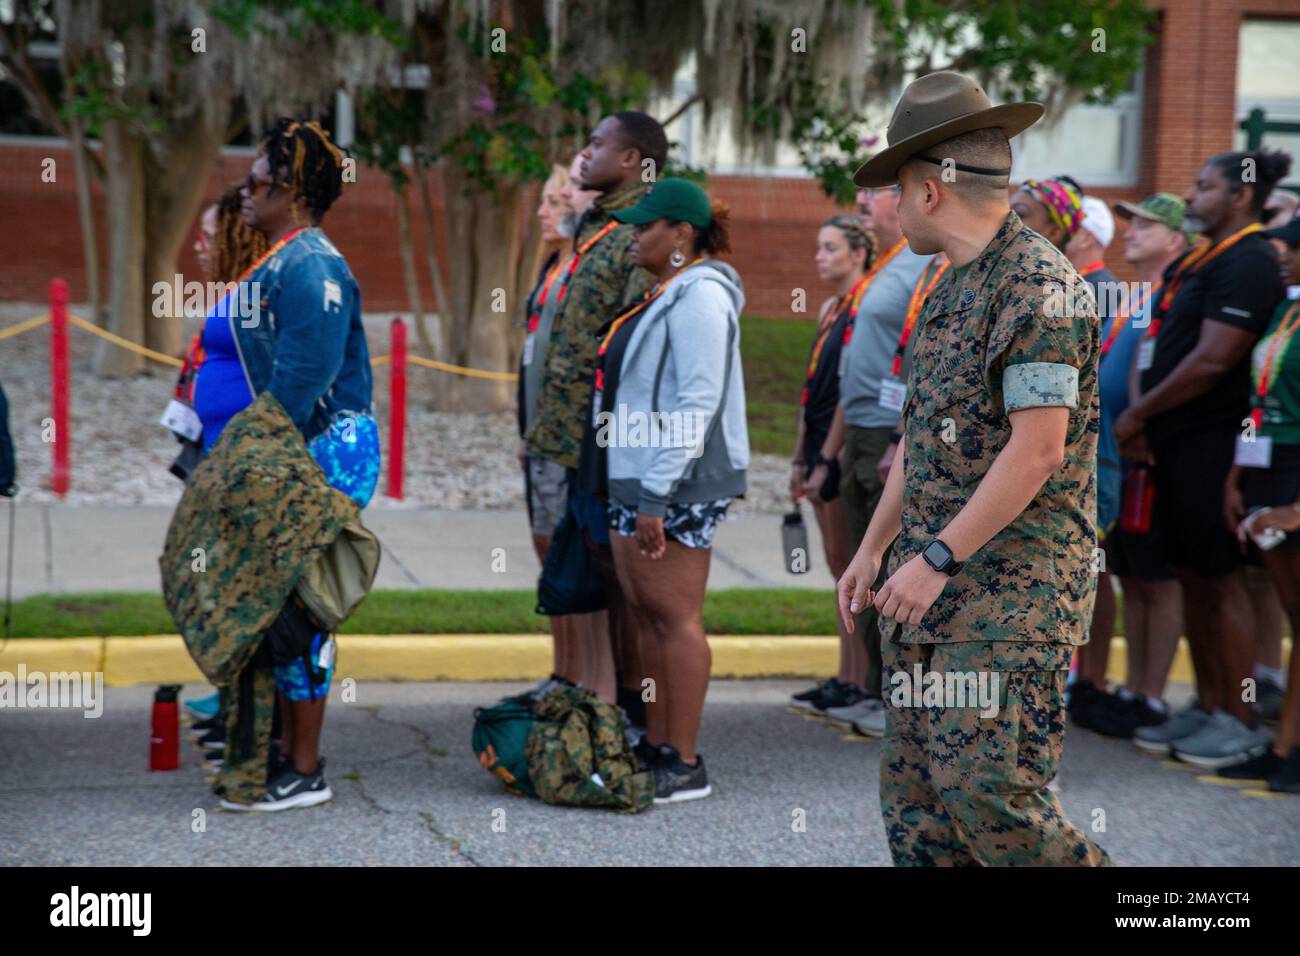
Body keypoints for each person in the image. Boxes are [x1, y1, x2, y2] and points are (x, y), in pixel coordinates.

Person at [840, 70, 1109, 865]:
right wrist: (873, 547)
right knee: (919, 808)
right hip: (926, 591)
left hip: (1008, 601)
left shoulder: (1040, 287)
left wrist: (937, 557)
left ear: (928, 193)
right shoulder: (949, 283)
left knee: (996, 805)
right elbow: (922, 438)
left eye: (894, 188)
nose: (886, 206)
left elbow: (1038, 450)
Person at [197, 118, 378, 811]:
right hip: (287, 449)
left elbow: (305, 376)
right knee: (280, 602)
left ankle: (303, 768)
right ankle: (280, 747)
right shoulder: (284, 255)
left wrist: (254, 453)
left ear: (291, 190)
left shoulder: (314, 266)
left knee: (304, 606)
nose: (245, 191)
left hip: (321, 451)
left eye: (258, 181)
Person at [1115, 148, 1292, 767]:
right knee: (1192, 577)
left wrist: (1138, 414)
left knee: (1220, 581)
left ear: (1240, 195)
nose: (1191, 197)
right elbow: (1159, 345)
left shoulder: (1248, 260)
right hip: (1172, 441)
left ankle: (1241, 716)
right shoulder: (1200, 261)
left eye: (1204, 187)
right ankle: (1213, 703)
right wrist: (1142, 417)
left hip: (1213, 443)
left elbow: (1214, 360)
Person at [594, 177, 747, 803]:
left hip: (677, 485)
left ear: (681, 233)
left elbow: (698, 399)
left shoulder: (701, 297)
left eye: (645, 226)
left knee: (675, 620)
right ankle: (658, 745)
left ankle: (682, 761)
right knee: (650, 619)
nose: (634, 236)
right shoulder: (670, 292)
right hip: (645, 478)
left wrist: (656, 493)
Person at [788, 186, 942, 740]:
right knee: (859, 561)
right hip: (861, 428)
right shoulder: (889, 266)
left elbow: (922, 352)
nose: (862, 199)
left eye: (874, 192)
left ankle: (892, 691)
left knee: (887, 564)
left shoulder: (926, 261)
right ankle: (875, 685)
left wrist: (902, 433)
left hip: (887, 431)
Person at [528, 112, 665, 710]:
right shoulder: (592, 227)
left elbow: (635, 348)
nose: (584, 154)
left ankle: (632, 705)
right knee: (584, 573)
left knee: (619, 580)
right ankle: (591, 693)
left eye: (597, 144)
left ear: (632, 158)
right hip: (562, 435)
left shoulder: (638, 230)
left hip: (604, 440)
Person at [179, 187, 269, 732]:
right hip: (218, 453)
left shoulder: (258, 294)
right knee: (225, 582)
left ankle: (246, 706)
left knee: (245, 585)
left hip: (244, 459)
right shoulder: (232, 292)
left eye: (209, 235)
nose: (198, 246)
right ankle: (231, 691)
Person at [1220, 208, 1300, 791]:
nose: (1286, 253)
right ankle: (1283, 747)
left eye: (1295, 245)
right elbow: (1258, 394)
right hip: (1266, 465)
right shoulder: (1286, 306)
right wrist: (1234, 475)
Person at [785, 214, 876, 718]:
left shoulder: (867, 306)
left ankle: (861, 677)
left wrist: (826, 460)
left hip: (839, 448)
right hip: (817, 442)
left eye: (830, 248)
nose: (820, 257)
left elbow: (848, 391)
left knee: (850, 564)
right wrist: (800, 456)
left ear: (858, 253)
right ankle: (844, 675)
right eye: (819, 247)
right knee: (835, 567)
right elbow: (811, 390)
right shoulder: (828, 308)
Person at [517, 161, 589, 699]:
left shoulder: (585, 269)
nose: (542, 212)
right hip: (537, 438)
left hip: (566, 444)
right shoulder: (550, 265)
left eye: (553, 202)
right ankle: (562, 668)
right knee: (547, 555)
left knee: (566, 557)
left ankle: (579, 675)